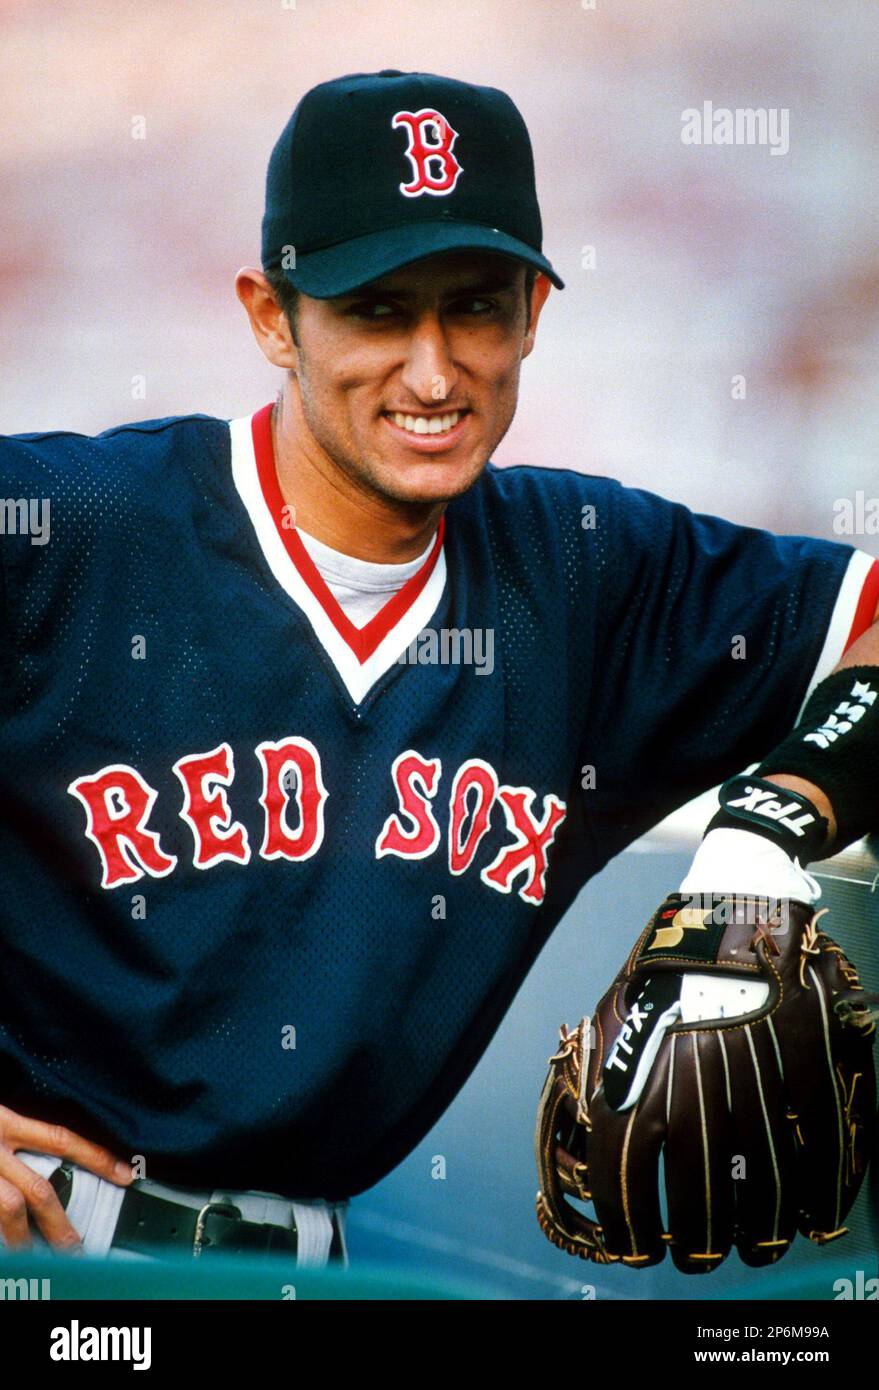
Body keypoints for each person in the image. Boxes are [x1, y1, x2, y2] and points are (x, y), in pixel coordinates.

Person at [0, 68, 877, 1271]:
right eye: (374, 308)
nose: (431, 371)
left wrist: (766, 833)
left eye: (472, 307)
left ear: (530, 311)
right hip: (38, 1259)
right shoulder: (77, 525)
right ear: (272, 315)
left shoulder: (587, 573)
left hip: (316, 1269)